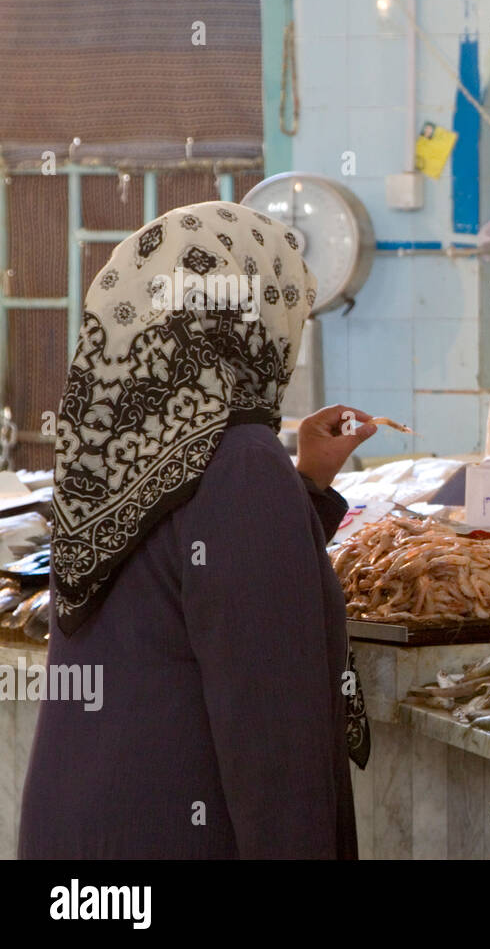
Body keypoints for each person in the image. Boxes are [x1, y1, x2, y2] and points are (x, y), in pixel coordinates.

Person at [21, 201, 376, 859]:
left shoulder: (117, 439)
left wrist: (306, 485)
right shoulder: (239, 458)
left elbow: (189, 564)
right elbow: (275, 739)